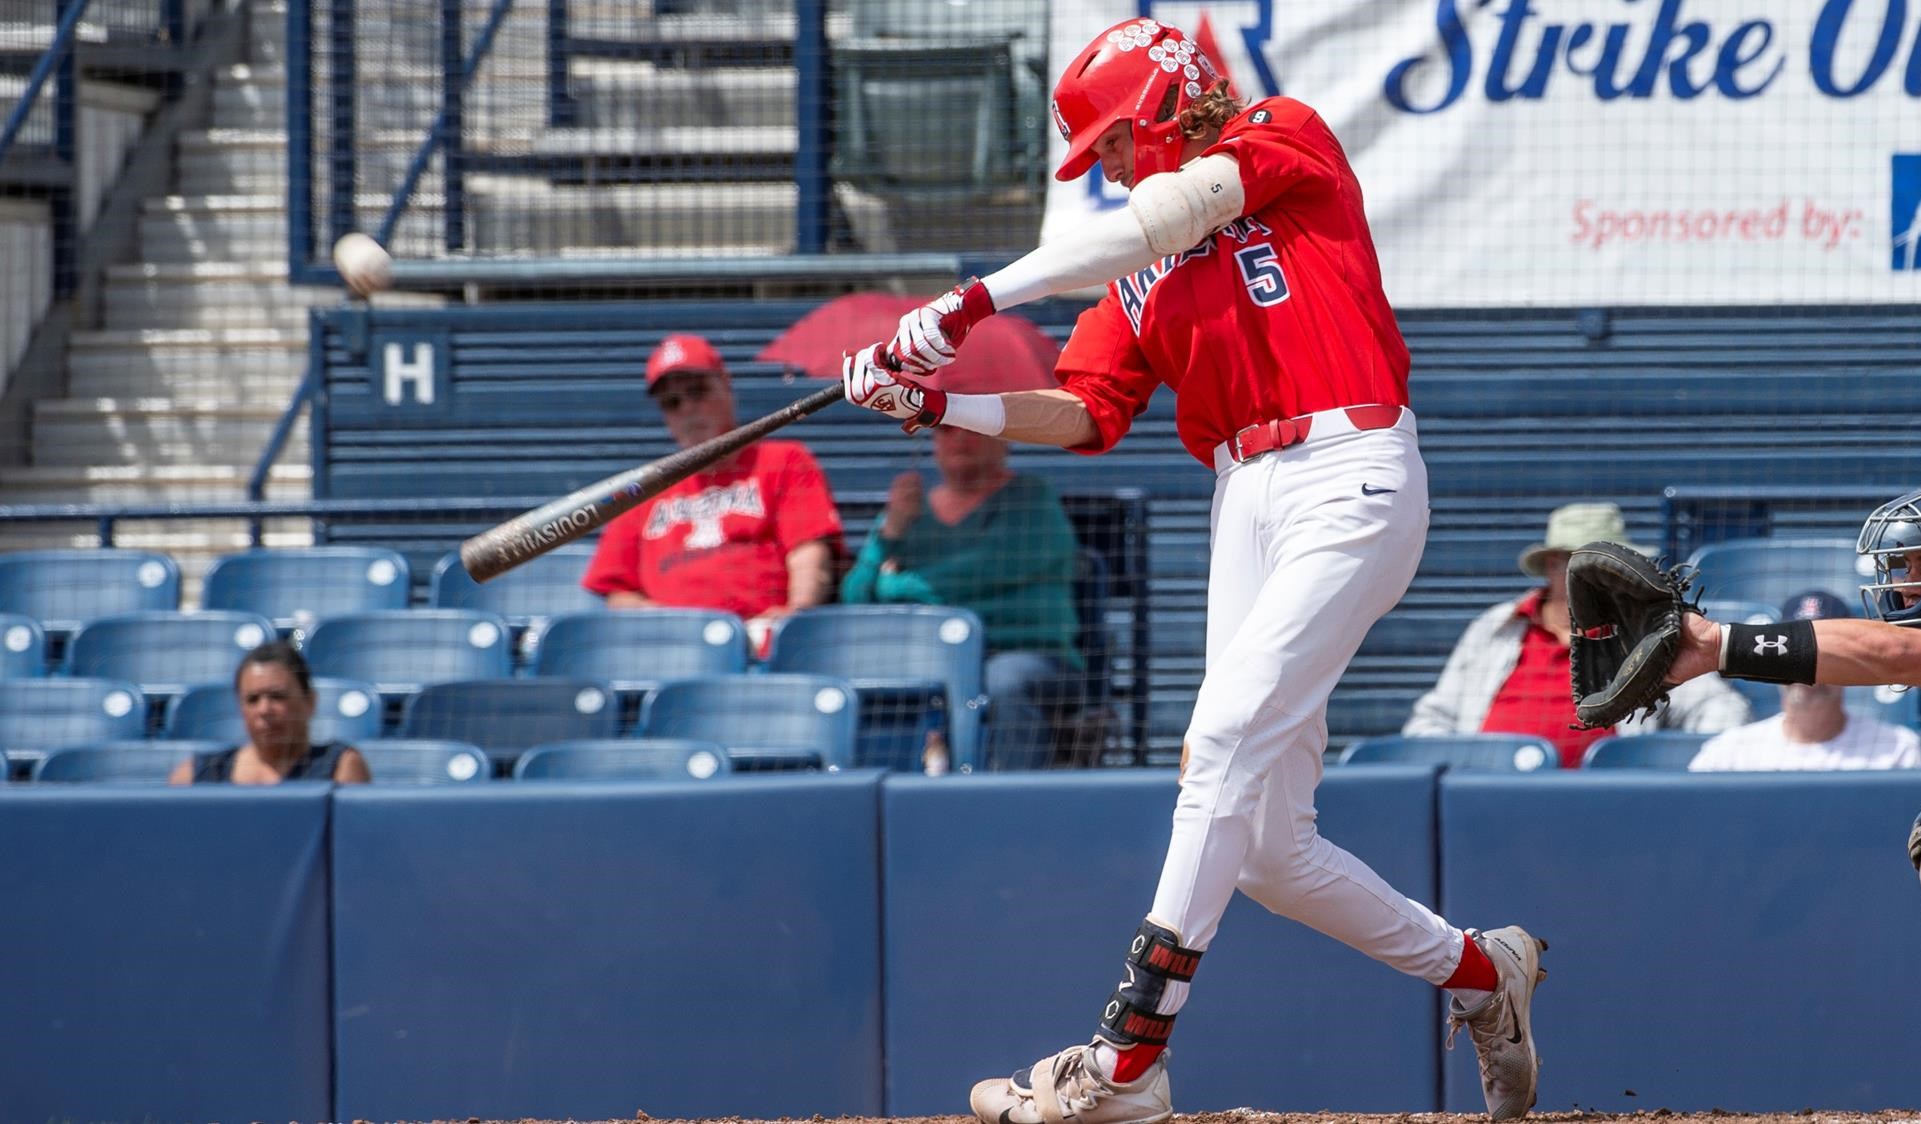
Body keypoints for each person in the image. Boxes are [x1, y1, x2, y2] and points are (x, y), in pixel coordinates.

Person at [839, 18, 1544, 1124]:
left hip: (1345, 468)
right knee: (1265, 844)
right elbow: (1085, 411)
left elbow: (1172, 210)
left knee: (1214, 741)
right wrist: (938, 399)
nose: (1110, 170)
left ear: (1165, 103)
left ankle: (1126, 1058)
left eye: (1112, 144)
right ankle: (1477, 970)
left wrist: (964, 305)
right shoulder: (1133, 272)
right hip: (1242, 498)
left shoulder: (1281, 136)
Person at [1404, 503, 1749, 767]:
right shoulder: (1496, 628)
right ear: (1554, 566)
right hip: (1487, 801)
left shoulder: (1647, 633)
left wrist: (1677, 770)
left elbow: (1719, 707)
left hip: (1606, 807)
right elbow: (1431, 720)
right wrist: (1460, 776)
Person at [582, 334, 845, 655]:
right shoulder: (643, 487)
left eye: (697, 392)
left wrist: (796, 616)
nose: (688, 409)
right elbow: (618, 594)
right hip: (672, 647)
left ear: (726, 385)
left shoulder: (783, 461)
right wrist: (670, 628)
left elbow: (809, 555)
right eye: (672, 402)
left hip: (757, 639)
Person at [840, 426, 1086, 769]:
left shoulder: (1032, 497)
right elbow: (856, 600)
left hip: (1025, 655)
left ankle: (1016, 803)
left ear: (1003, 438)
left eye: (974, 428)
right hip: (926, 663)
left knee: (1005, 681)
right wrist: (890, 531)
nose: (959, 439)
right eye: (946, 429)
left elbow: (991, 567)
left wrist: (897, 587)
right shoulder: (909, 510)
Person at [1687, 590, 1920, 772]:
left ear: (1853, 657)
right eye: (1795, 653)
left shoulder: (1900, 750)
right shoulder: (1727, 754)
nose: (1807, 667)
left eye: (1821, 654)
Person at [170, 640, 371, 785]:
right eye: (252, 699)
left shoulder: (338, 767)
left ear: (309, 701)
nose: (264, 710)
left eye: (277, 696)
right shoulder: (200, 775)